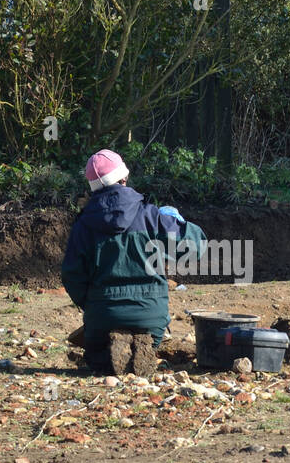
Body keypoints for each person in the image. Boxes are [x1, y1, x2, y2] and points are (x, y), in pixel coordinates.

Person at [61, 148, 206, 376]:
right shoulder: (152, 216)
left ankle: (107, 358)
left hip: (103, 314)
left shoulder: (83, 226)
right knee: (151, 336)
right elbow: (196, 246)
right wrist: (177, 220)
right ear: (124, 178)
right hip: (151, 314)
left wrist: (90, 303)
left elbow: (71, 275)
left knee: (97, 357)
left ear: (92, 187)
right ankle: (145, 346)